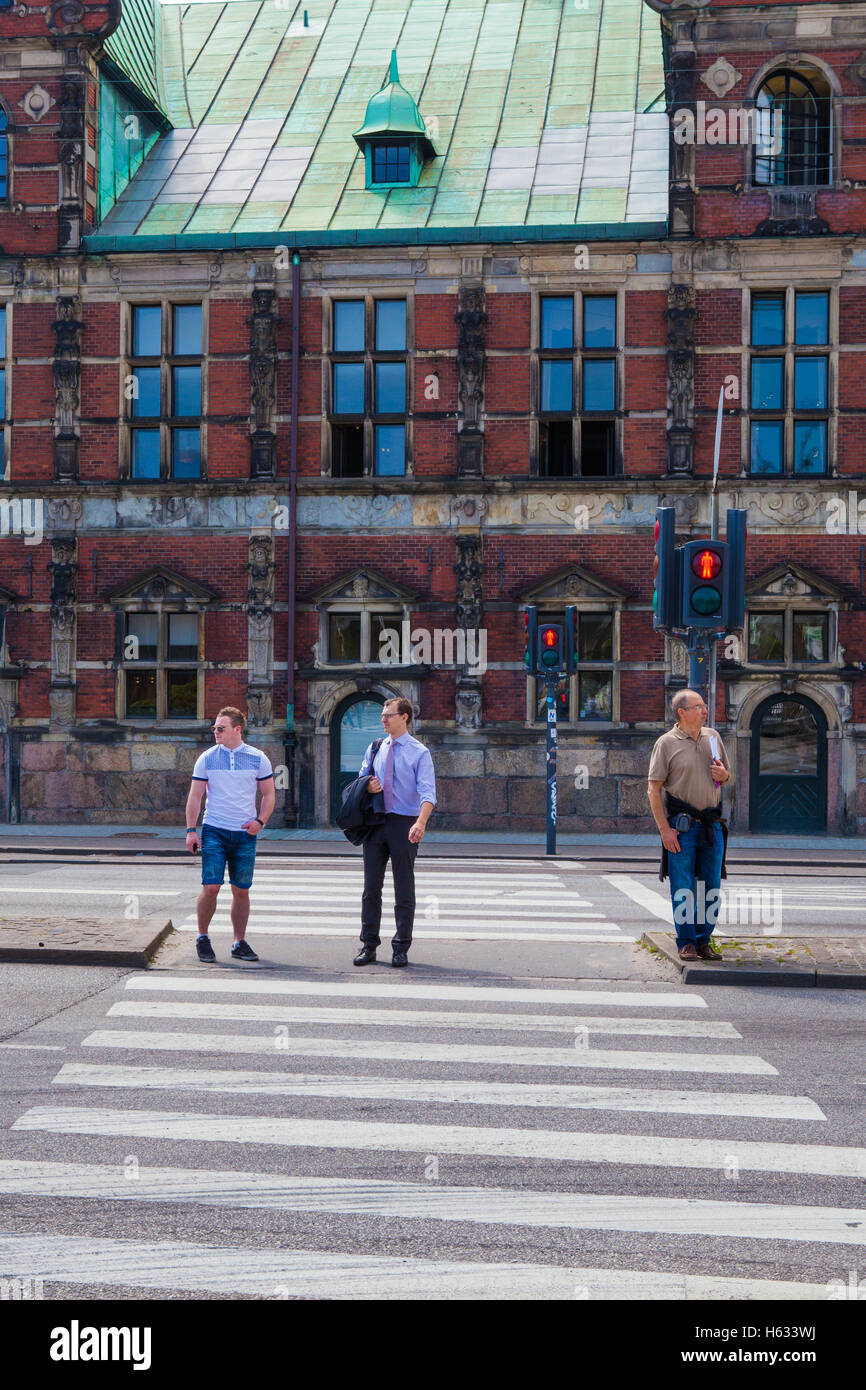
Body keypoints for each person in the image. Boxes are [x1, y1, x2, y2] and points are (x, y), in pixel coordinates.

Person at [647, 688, 732, 962]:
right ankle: (686, 943)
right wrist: (664, 830)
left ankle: (703, 940)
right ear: (682, 712)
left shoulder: (713, 737)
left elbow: (726, 777)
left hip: (712, 824)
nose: (705, 711)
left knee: (712, 887)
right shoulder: (666, 743)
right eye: (698, 707)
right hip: (681, 827)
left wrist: (724, 775)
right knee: (682, 886)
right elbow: (653, 789)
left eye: (704, 706)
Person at [185, 706, 275, 963]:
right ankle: (203, 937)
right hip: (214, 829)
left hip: (245, 832)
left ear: (237, 729)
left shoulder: (258, 758)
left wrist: (260, 821)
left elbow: (269, 794)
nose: (216, 731)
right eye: (214, 727)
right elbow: (195, 796)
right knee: (211, 886)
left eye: (221, 728)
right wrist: (192, 830)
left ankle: (239, 941)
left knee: (241, 890)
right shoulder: (207, 758)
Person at [353, 697, 436, 968]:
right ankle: (369, 945)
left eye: (389, 715)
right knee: (370, 888)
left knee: (404, 887)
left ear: (405, 717)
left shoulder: (419, 752)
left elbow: (428, 793)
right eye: (382, 715)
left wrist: (420, 823)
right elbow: (361, 778)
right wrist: (368, 786)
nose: (383, 719)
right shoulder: (376, 747)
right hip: (377, 822)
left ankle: (401, 947)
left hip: (404, 823)